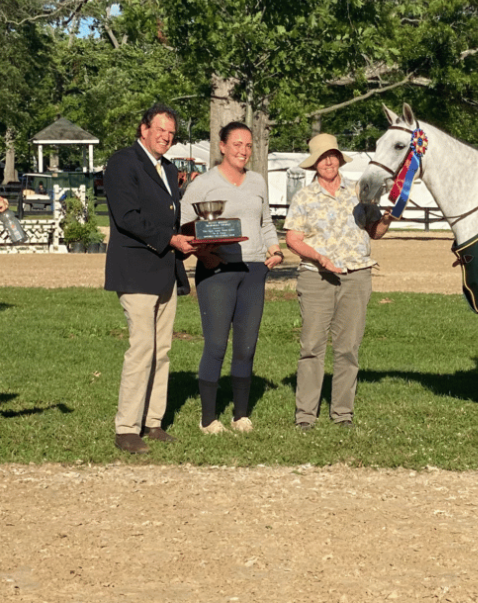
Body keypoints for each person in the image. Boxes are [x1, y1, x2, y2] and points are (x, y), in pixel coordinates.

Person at [180, 121, 285, 434]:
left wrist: (275, 250)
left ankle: (241, 415)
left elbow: (266, 223)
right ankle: (208, 419)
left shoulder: (257, 182)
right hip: (217, 271)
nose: (243, 150)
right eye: (237, 144)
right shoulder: (203, 183)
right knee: (215, 345)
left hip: (254, 271)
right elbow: (186, 227)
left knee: (246, 346)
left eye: (248, 145)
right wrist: (204, 255)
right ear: (222, 146)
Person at [104, 103, 196, 454]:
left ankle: (153, 422)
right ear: (143, 129)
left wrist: (187, 242)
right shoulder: (123, 162)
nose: (166, 137)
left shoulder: (169, 169)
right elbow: (126, 216)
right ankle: (126, 428)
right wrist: (170, 239)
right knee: (142, 348)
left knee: (162, 351)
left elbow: (171, 219)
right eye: (160, 129)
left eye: (171, 133)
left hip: (165, 271)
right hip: (135, 270)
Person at [284, 133, 392, 430]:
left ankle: (343, 413)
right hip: (317, 277)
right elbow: (293, 239)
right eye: (322, 157)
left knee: (348, 347)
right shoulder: (303, 197)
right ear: (314, 164)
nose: (328, 161)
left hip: (357, 275)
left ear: (339, 159)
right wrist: (320, 259)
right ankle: (306, 415)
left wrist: (386, 219)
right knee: (312, 346)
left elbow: (374, 232)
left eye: (332, 155)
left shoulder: (358, 193)